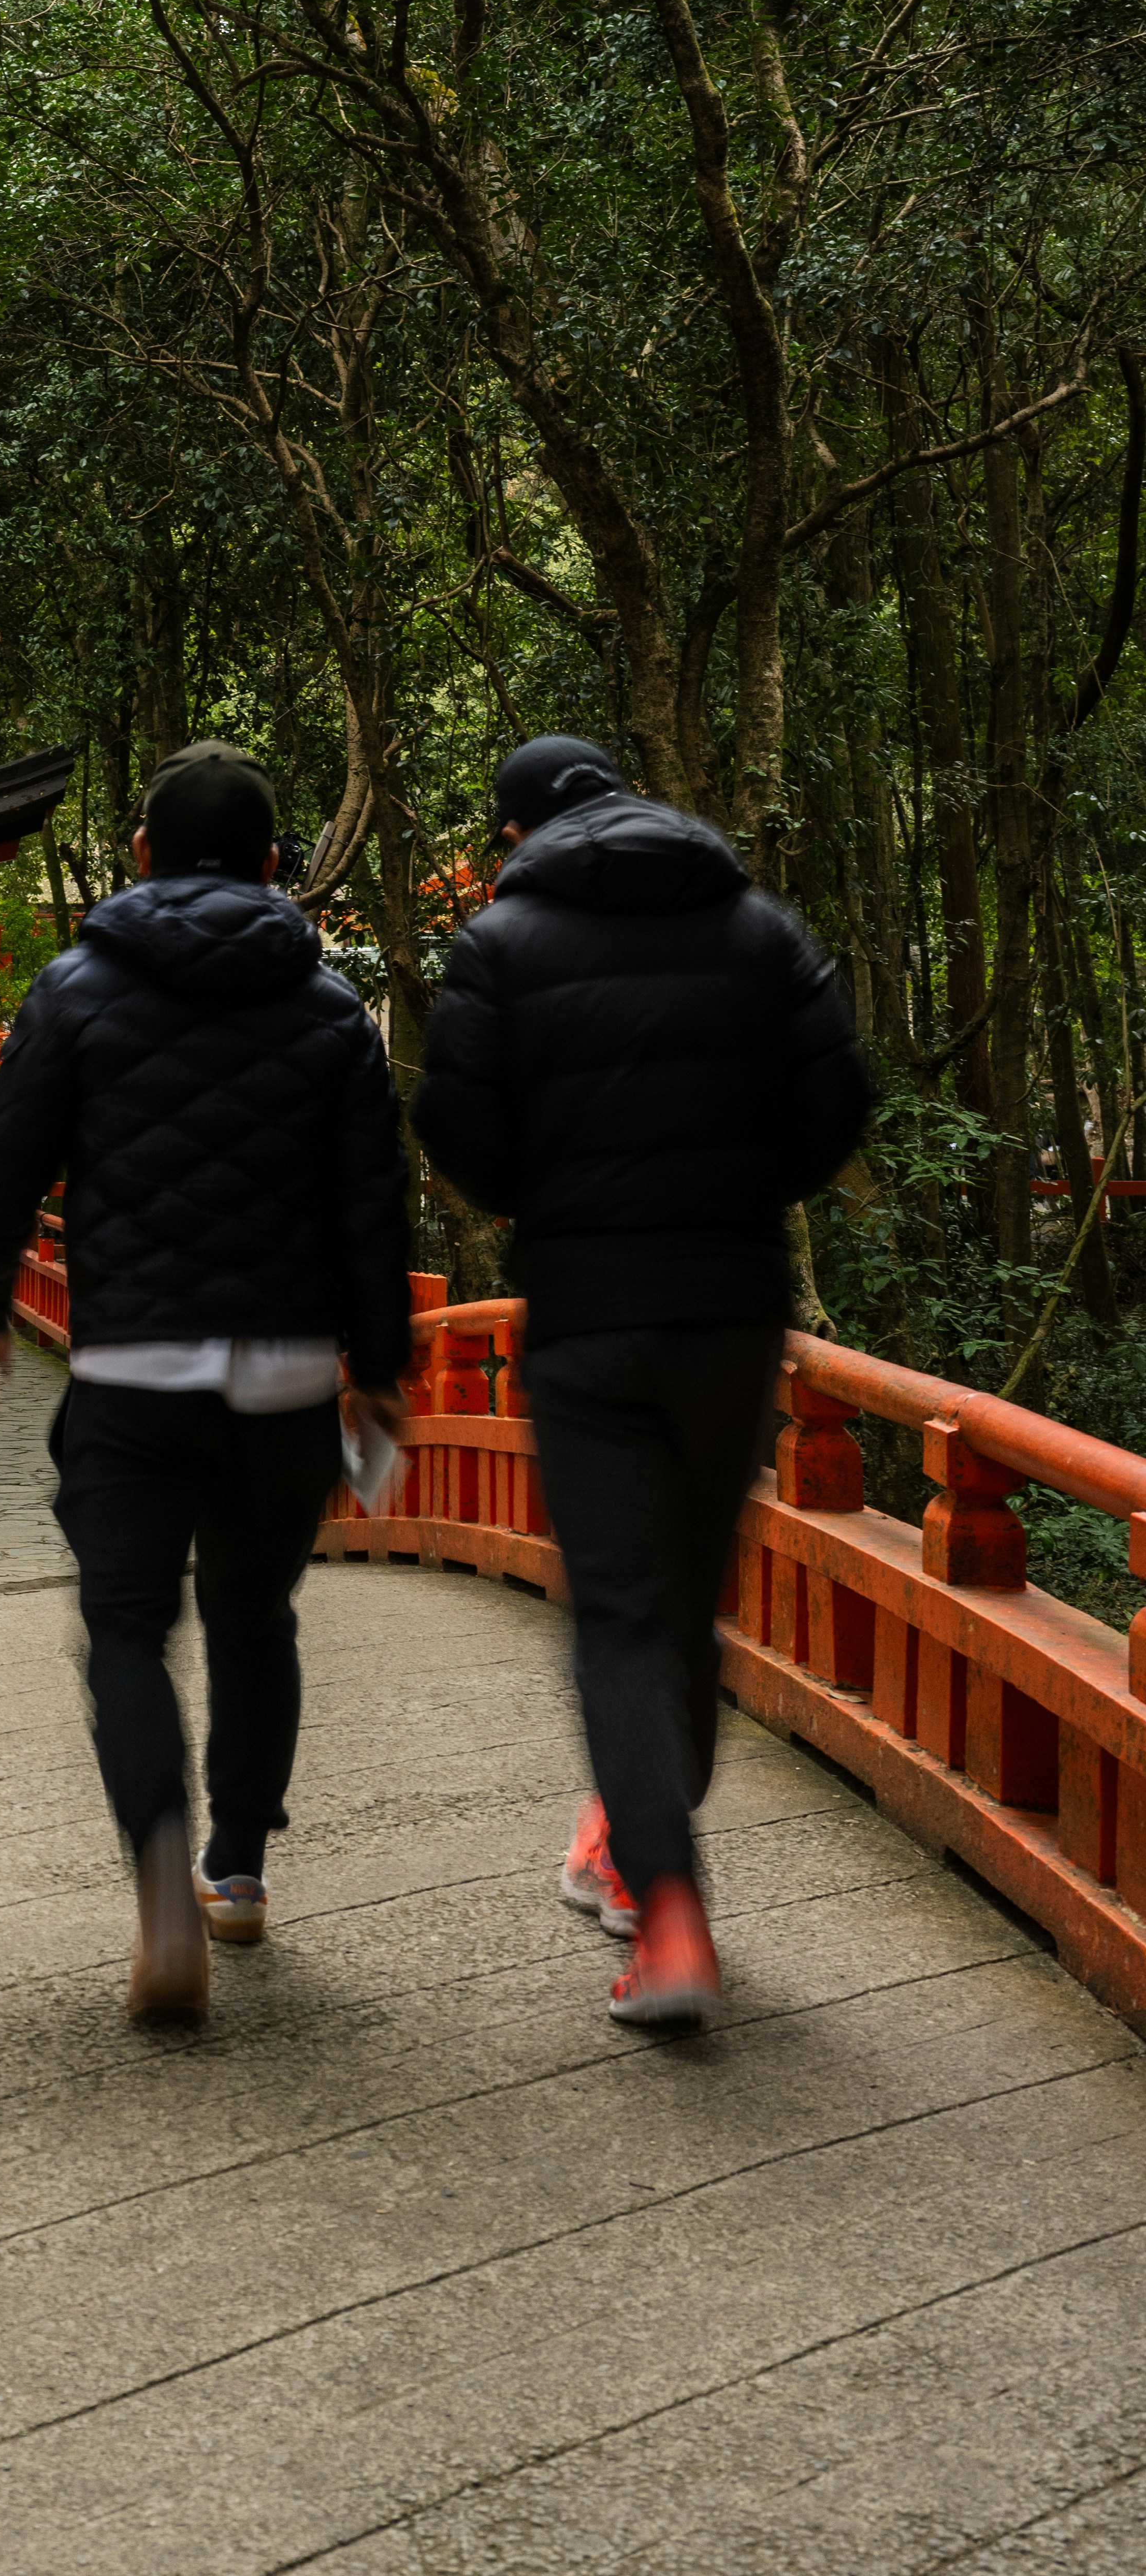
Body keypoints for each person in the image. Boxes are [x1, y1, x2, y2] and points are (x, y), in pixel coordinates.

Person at [0, 744, 412, 2025]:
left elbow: (9, 1159)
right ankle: (239, 1870)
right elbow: (374, 1209)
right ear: (275, 864)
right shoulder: (328, 1008)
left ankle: (158, 1883)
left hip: (132, 1368)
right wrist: (380, 1376)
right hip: (280, 1375)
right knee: (256, 1616)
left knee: (130, 1633)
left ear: (140, 853)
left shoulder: (77, 987)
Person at [412, 734, 872, 2035]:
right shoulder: (756, 926)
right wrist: (739, 1191)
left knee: (616, 1611)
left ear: (516, 837)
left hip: (584, 1313)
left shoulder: (501, 946)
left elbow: (455, 1122)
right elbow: (838, 1097)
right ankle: (637, 1860)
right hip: (729, 1308)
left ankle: (664, 1907)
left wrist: (549, 1202)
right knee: (690, 1596)